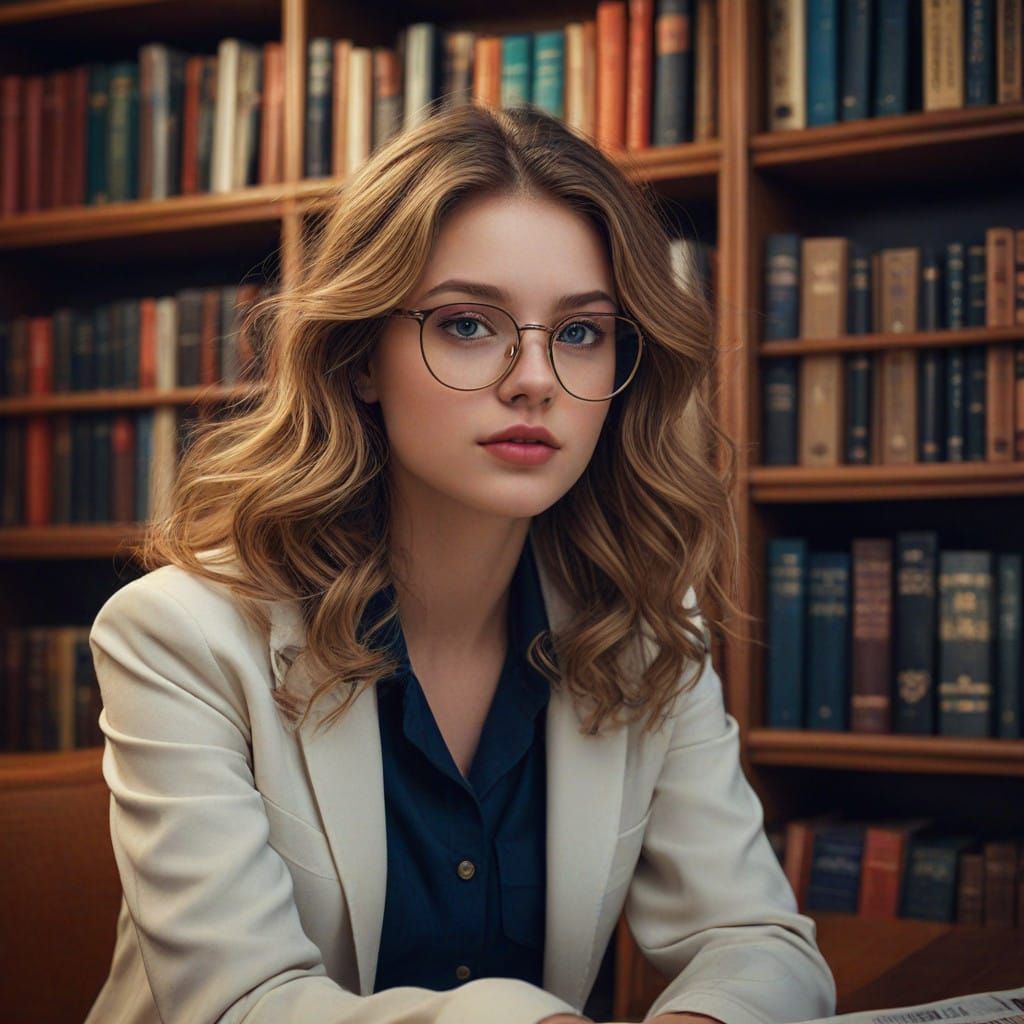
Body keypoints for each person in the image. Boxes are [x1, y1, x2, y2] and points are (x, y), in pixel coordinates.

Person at [83, 102, 836, 1024]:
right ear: (360, 357)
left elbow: (754, 940)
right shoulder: (177, 633)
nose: (535, 378)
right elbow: (245, 1005)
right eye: (470, 325)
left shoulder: (643, 622)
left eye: (581, 332)